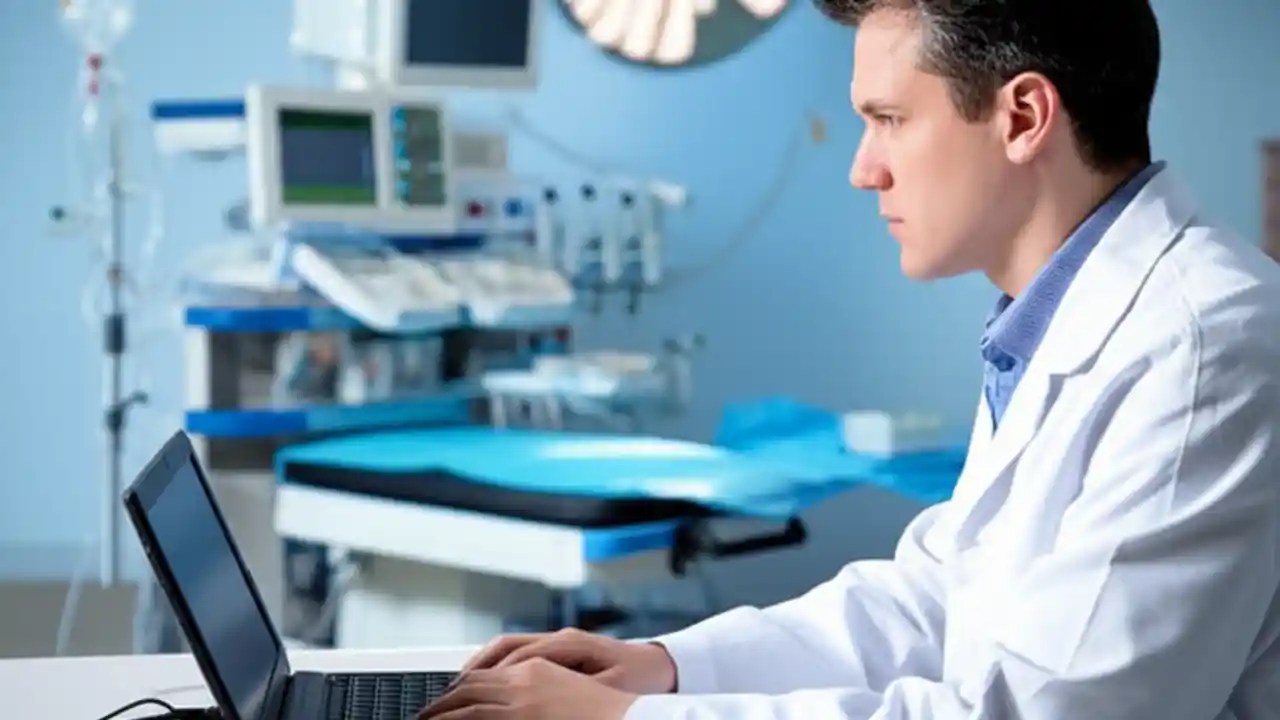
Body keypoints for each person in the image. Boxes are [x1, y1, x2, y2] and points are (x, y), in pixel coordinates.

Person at [421, 0, 1280, 717]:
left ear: (1022, 117)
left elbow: (1047, 714)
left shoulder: (1206, 344)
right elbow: (935, 598)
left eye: (890, 121)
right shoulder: (1053, 319)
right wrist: (665, 667)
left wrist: (635, 719)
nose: (863, 170)